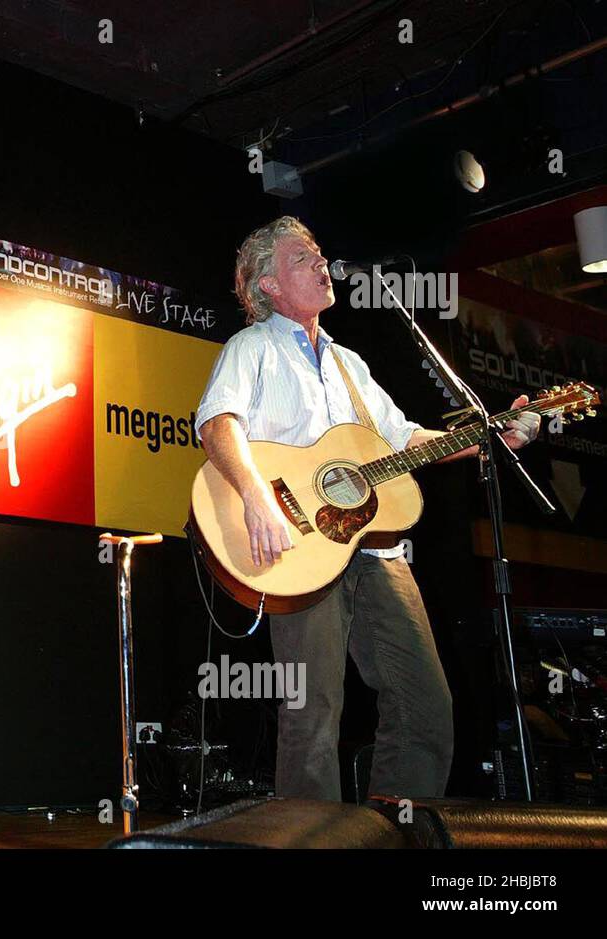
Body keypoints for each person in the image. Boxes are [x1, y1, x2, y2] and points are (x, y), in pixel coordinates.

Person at [194, 216, 539, 802]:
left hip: (378, 549)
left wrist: (489, 436)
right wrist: (258, 499)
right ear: (268, 284)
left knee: (426, 703)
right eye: (303, 257)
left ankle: (391, 834)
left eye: (320, 253)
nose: (320, 263)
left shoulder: (350, 364)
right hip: (298, 549)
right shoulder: (251, 348)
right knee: (313, 709)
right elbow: (216, 422)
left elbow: (402, 439)